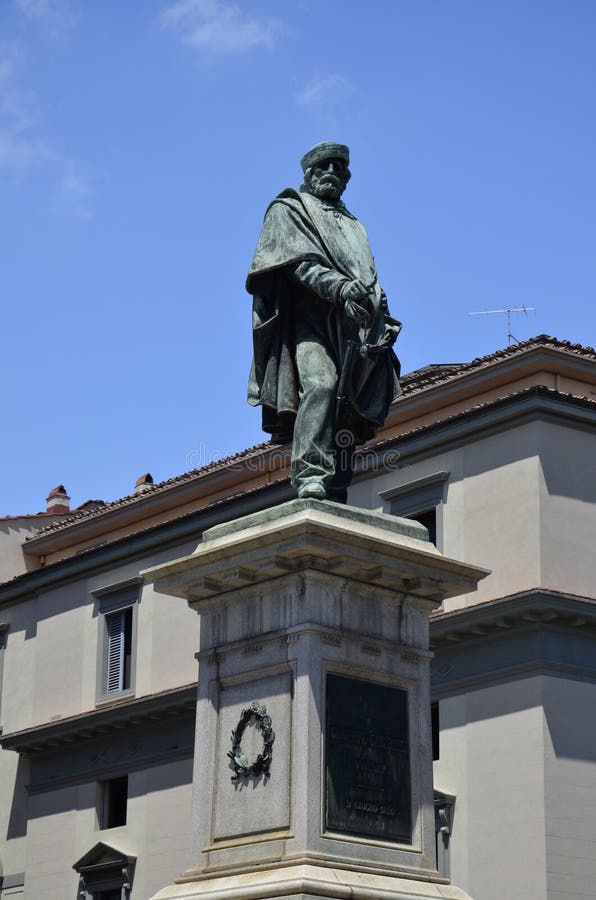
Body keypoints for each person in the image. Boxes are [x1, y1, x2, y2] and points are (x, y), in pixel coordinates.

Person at [246, 141, 401, 502]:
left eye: (339, 168)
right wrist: (340, 289)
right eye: (324, 167)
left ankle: (337, 487)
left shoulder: (353, 224)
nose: (332, 173)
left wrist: (378, 306)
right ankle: (311, 472)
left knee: (347, 407)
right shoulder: (290, 209)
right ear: (309, 173)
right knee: (321, 386)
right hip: (308, 322)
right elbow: (298, 265)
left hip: (353, 326)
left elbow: (367, 273)